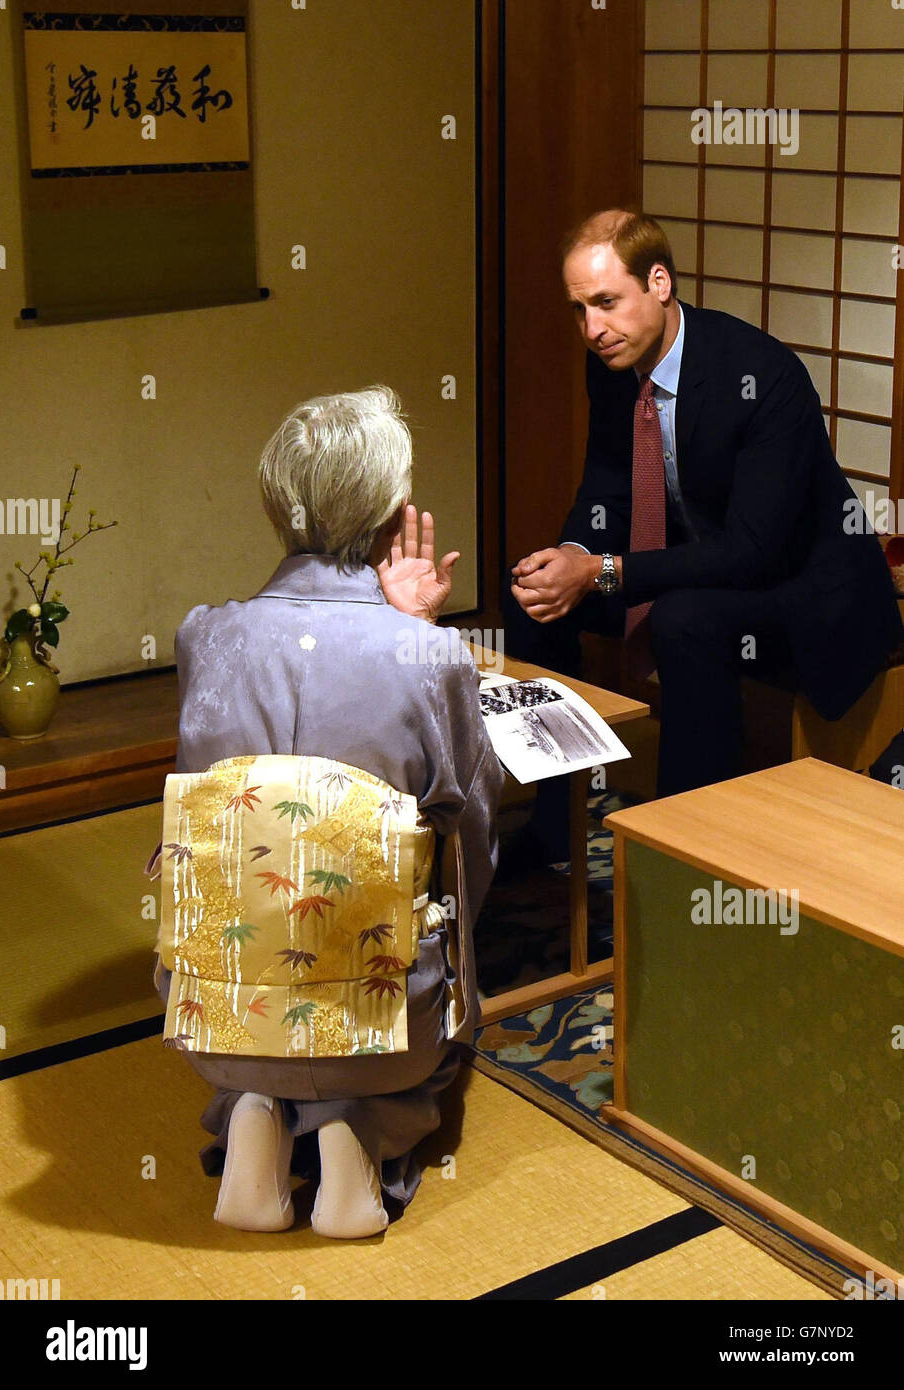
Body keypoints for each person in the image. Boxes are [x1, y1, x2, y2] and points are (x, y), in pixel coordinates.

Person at [150, 386, 504, 1237]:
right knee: (437, 886)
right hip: (384, 1018)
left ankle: (249, 1110)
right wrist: (409, 632)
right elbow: (473, 836)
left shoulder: (208, 637)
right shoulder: (429, 653)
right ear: (389, 512)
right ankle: (359, 1130)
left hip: (216, 1011)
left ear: (277, 504)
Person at [505, 208, 903, 854]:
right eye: (579, 310)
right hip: (698, 564)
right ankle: (556, 815)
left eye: (606, 302)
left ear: (659, 283)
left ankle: (687, 849)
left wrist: (605, 571)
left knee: (684, 621)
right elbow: (604, 488)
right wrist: (575, 554)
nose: (593, 329)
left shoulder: (761, 376)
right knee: (529, 591)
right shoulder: (612, 363)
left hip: (807, 587)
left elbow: (753, 551)